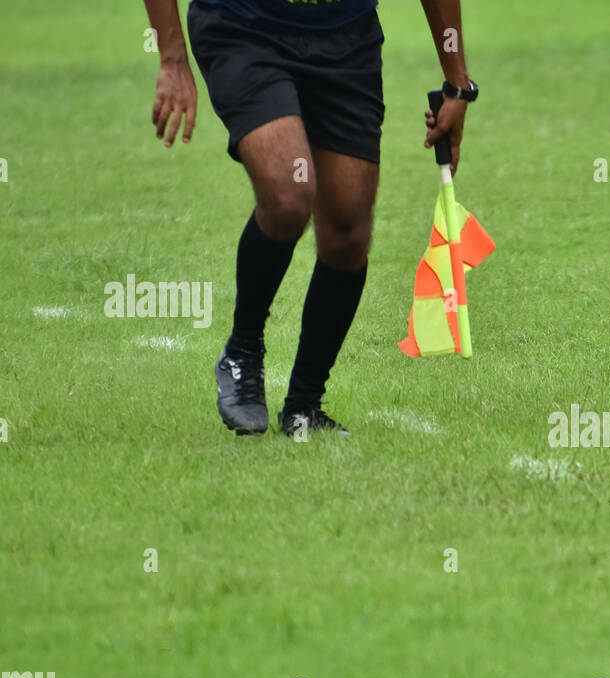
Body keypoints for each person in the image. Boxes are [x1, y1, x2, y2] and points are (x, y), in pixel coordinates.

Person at [142, 0, 478, 436]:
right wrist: (172, 60)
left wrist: (457, 84)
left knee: (348, 231)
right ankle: (242, 351)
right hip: (244, 28)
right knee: (288, 195)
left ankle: (304, 405)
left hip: (345, 39)